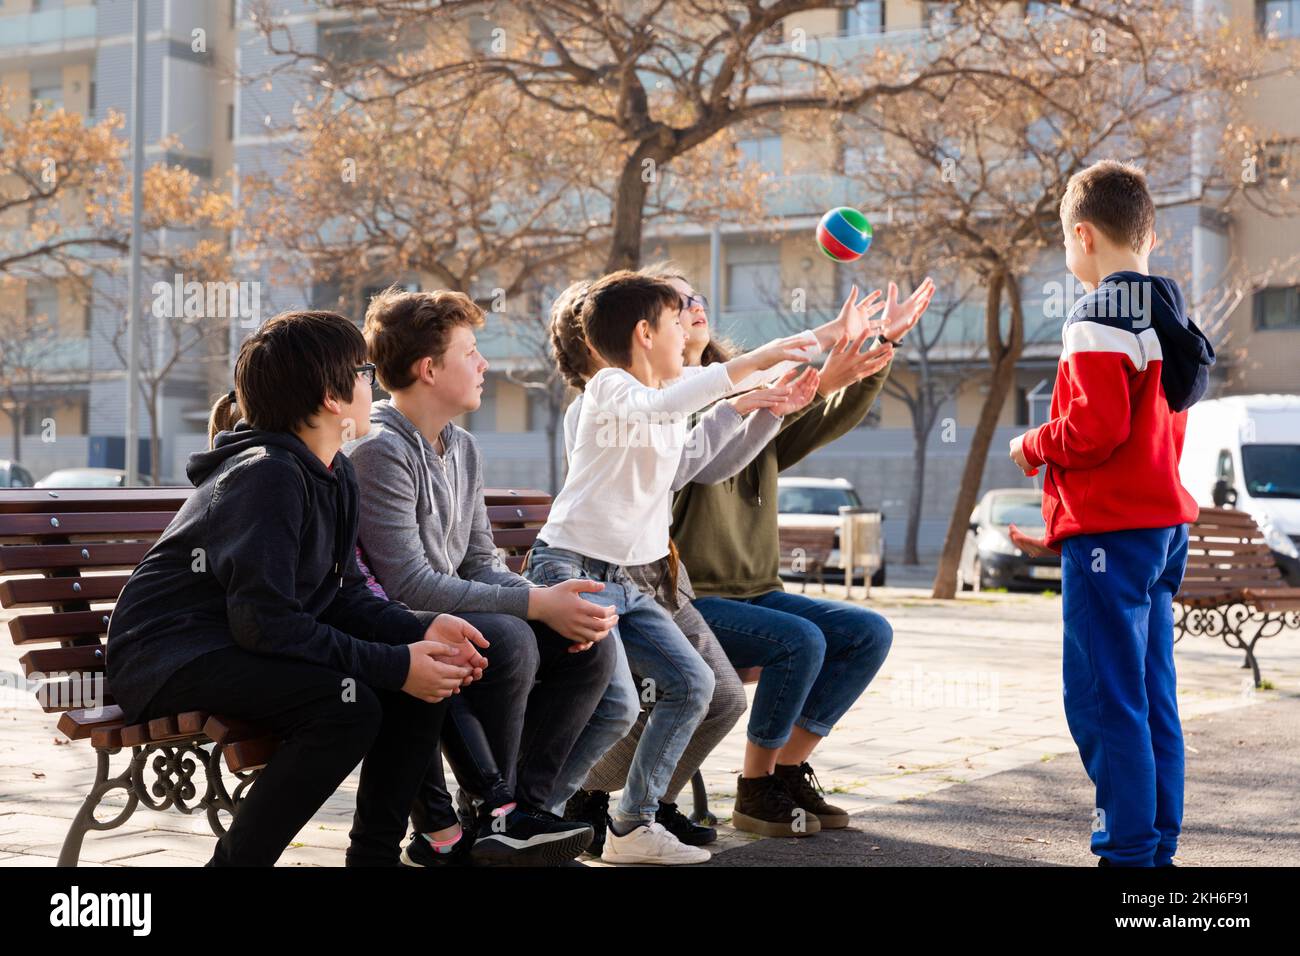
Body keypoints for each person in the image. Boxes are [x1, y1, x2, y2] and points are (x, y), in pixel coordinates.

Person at [105, 310, 486, 867]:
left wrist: (421, 630)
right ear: (332, 398)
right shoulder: (267, 475)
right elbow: (265, 622)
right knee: (349, 708)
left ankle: (372, 858)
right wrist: (395, 662)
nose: (370, 383)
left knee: (418, 682)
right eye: (362, 372)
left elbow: (345, 596)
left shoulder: (333, 472)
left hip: (232, 647)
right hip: (172, 658)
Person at [526, 269, 816, 864]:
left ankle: (630, 824)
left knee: (695, 686)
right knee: (617, 706)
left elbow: (694, 446)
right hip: (576, 571)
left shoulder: (661, 401)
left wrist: (770, 391)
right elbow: (674, 399)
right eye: (676, 318)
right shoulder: (607, 390)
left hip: (635, 579)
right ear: (643, 333)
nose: (689, 327)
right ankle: (532, 817)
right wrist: (753, 363)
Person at [346, 287, 618, 867]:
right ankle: (495, 816)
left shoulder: (463, 447)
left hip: (451, 612)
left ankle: (517, 815)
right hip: (396, 623)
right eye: (470, 351)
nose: (483, 364)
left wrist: (554, 603)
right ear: (428, 369)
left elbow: (479, 562)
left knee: (588, 648)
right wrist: (538, 606)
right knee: (513, 638)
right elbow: (407, 585)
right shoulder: (379, 448)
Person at [672, 274, 934, 837]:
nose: (695, 306)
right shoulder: (660, 402)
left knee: (868, 632)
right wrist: (805, 385)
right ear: (648, 325)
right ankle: (755, 786)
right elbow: (705, 433)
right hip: (690, 601)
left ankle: (786, 772)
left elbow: (823, 415)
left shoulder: (748, 394)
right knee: (800, 640)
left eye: (698, 297)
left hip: (757, 590)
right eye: (677, 300)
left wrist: (880, 345)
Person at [1008, 159, 1214, 867]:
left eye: (1065, 242)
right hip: (1158, 533)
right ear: (1149, 237)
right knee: (1152, 693)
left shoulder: (1096, 314)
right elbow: (1147, 440)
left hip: (1112, 535)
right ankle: (1154, 842)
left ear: (1084, 236)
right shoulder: (1171, 310)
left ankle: (1124, 850)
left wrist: (1031, 444)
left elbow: (1092, 434)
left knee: (1102, 698)